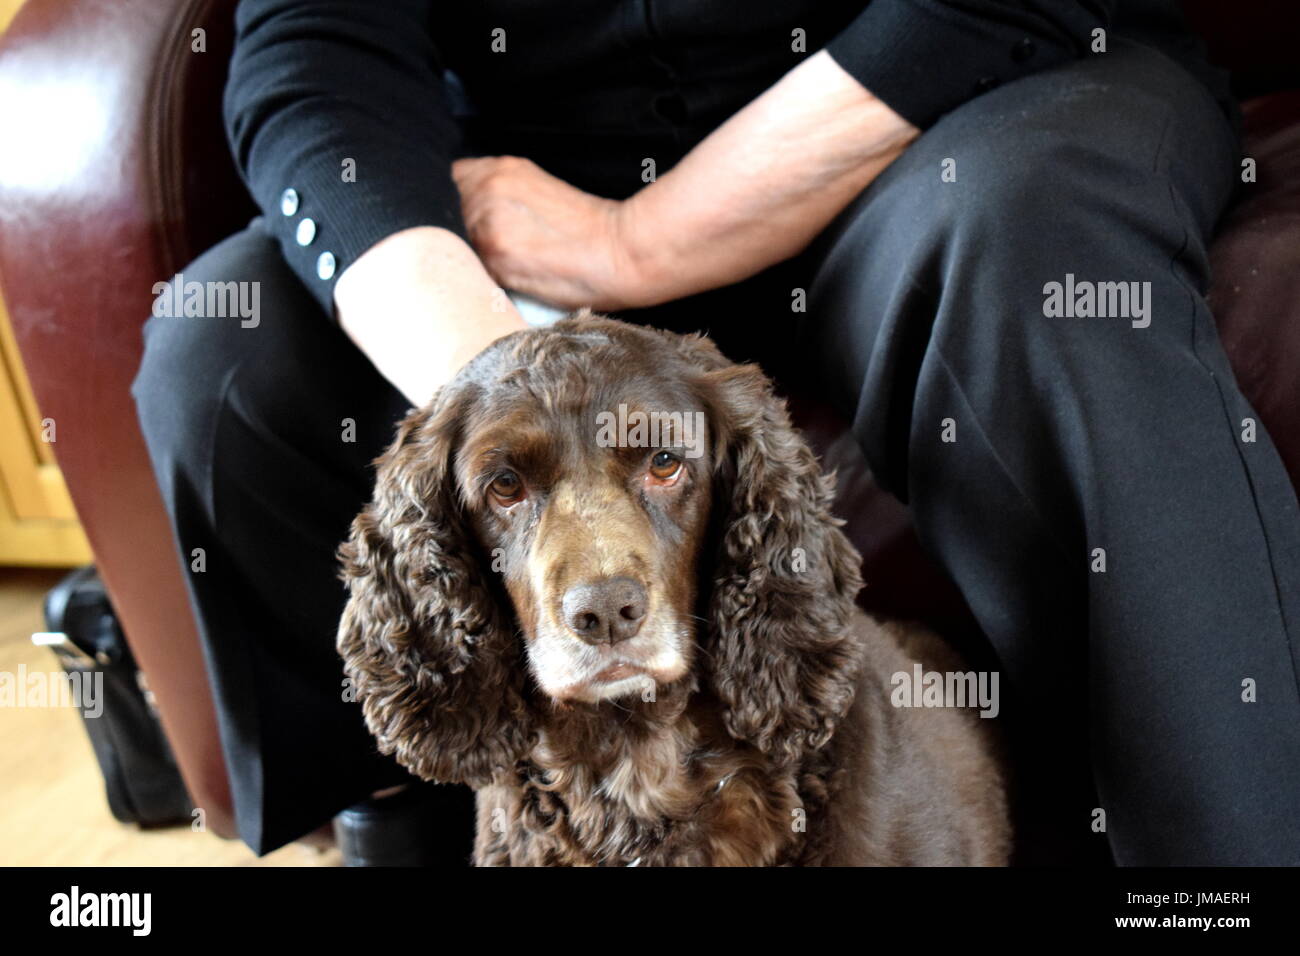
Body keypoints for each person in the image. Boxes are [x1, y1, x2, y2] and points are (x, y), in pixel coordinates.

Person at [132, 0, 1300, 865]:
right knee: (220, 361)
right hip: (535, 193)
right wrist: (506, 386)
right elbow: (313, 53)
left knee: (1032, 255)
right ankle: (428, 828)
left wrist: (638, 242)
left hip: (959, 112)